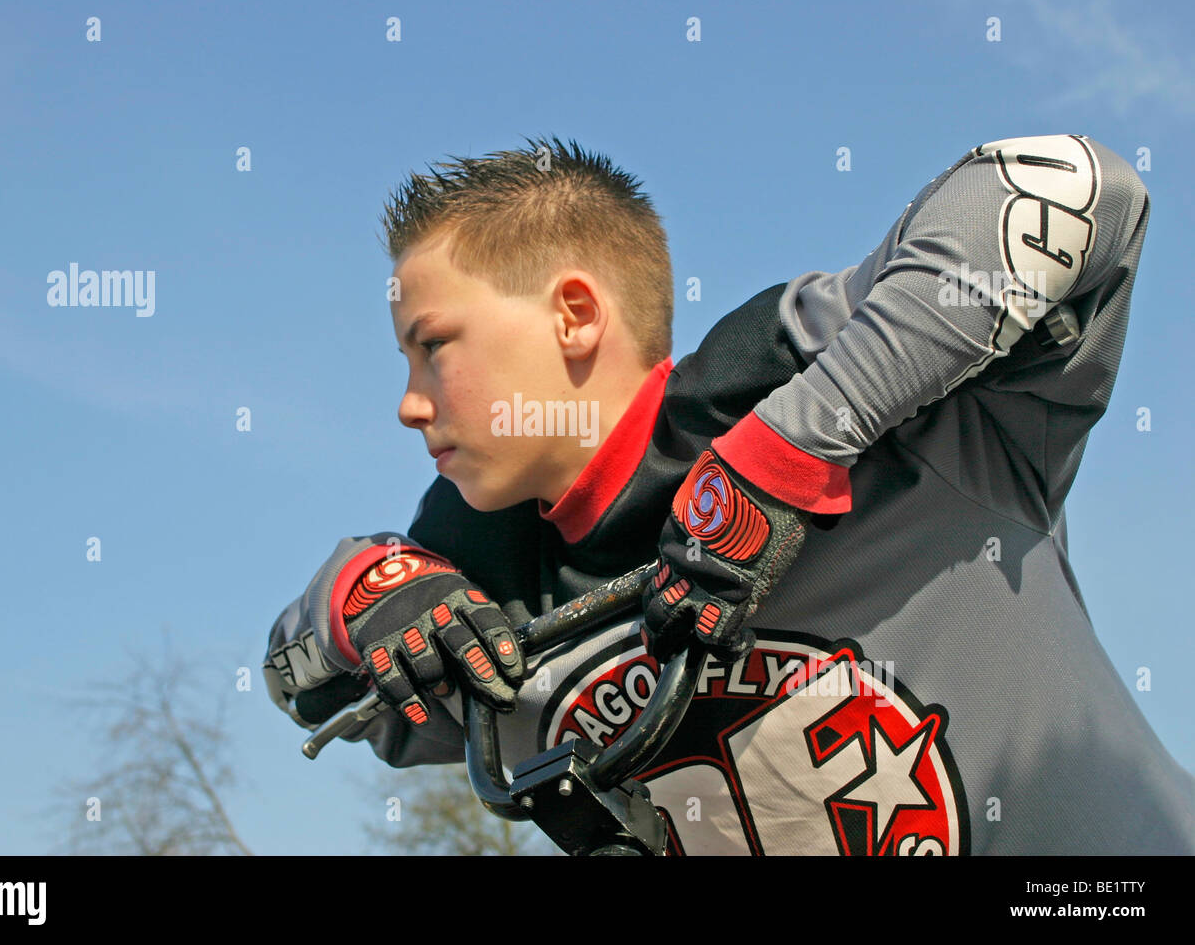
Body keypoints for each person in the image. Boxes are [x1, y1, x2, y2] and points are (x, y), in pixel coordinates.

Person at [264, 135, 1195, 854]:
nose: (409, 403)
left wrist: (787, 453)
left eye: (434, 344)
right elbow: (296, 683)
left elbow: (1067, 188)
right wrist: (364, 593)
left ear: (575, 315)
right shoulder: (482, 605)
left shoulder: (823, 380)